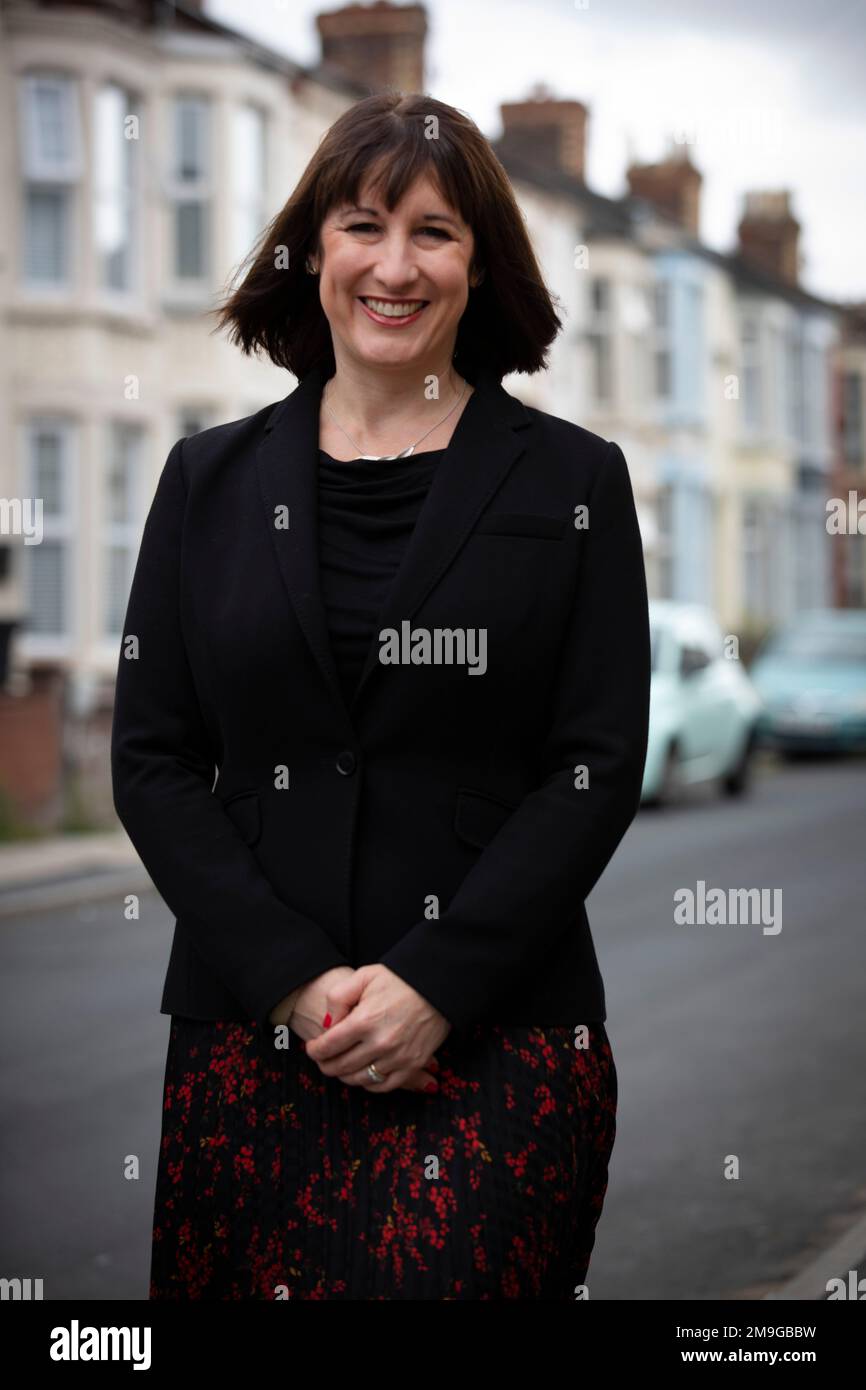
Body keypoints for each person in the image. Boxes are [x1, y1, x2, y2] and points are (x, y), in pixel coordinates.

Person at [110, 91, 650, 1301]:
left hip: (497, 1042)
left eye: (435, 232)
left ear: (479, 264)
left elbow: (595, 761)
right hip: (250, 1038)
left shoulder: (571, 479)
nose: (393, 266)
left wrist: (434, 985)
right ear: (315, 255)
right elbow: (151, 757)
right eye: (363, 226)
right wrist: (296, 983)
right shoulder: (207, 480)